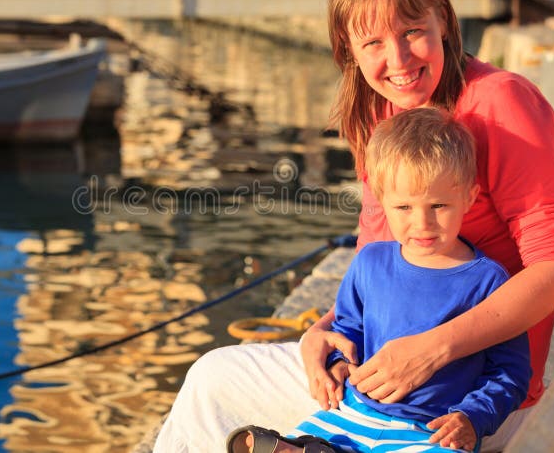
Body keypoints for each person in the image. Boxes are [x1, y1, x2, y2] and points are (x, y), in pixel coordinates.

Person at [153, 0, 554, 453]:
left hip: (467, 404)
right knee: (211, 377)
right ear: (347, 49)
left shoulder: (501, 104)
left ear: (443, 19)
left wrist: (431, 350)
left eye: (412, 32)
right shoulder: (382, 117)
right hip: (376, 387)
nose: (397, 59)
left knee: (215, 394)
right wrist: (323, 332)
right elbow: (376, 268)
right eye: (372, 42)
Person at [227, 108, 531, 453]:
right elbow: (348, 330)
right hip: (355, 411)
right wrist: (338, 364)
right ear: (382, 201)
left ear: (469, 198)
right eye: (404, 208)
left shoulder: (489, 280)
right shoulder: (370, 262)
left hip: (431, 430)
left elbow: (510, 372)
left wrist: (473, 417)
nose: (422, 223)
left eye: (439, 205)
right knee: (317, 435)